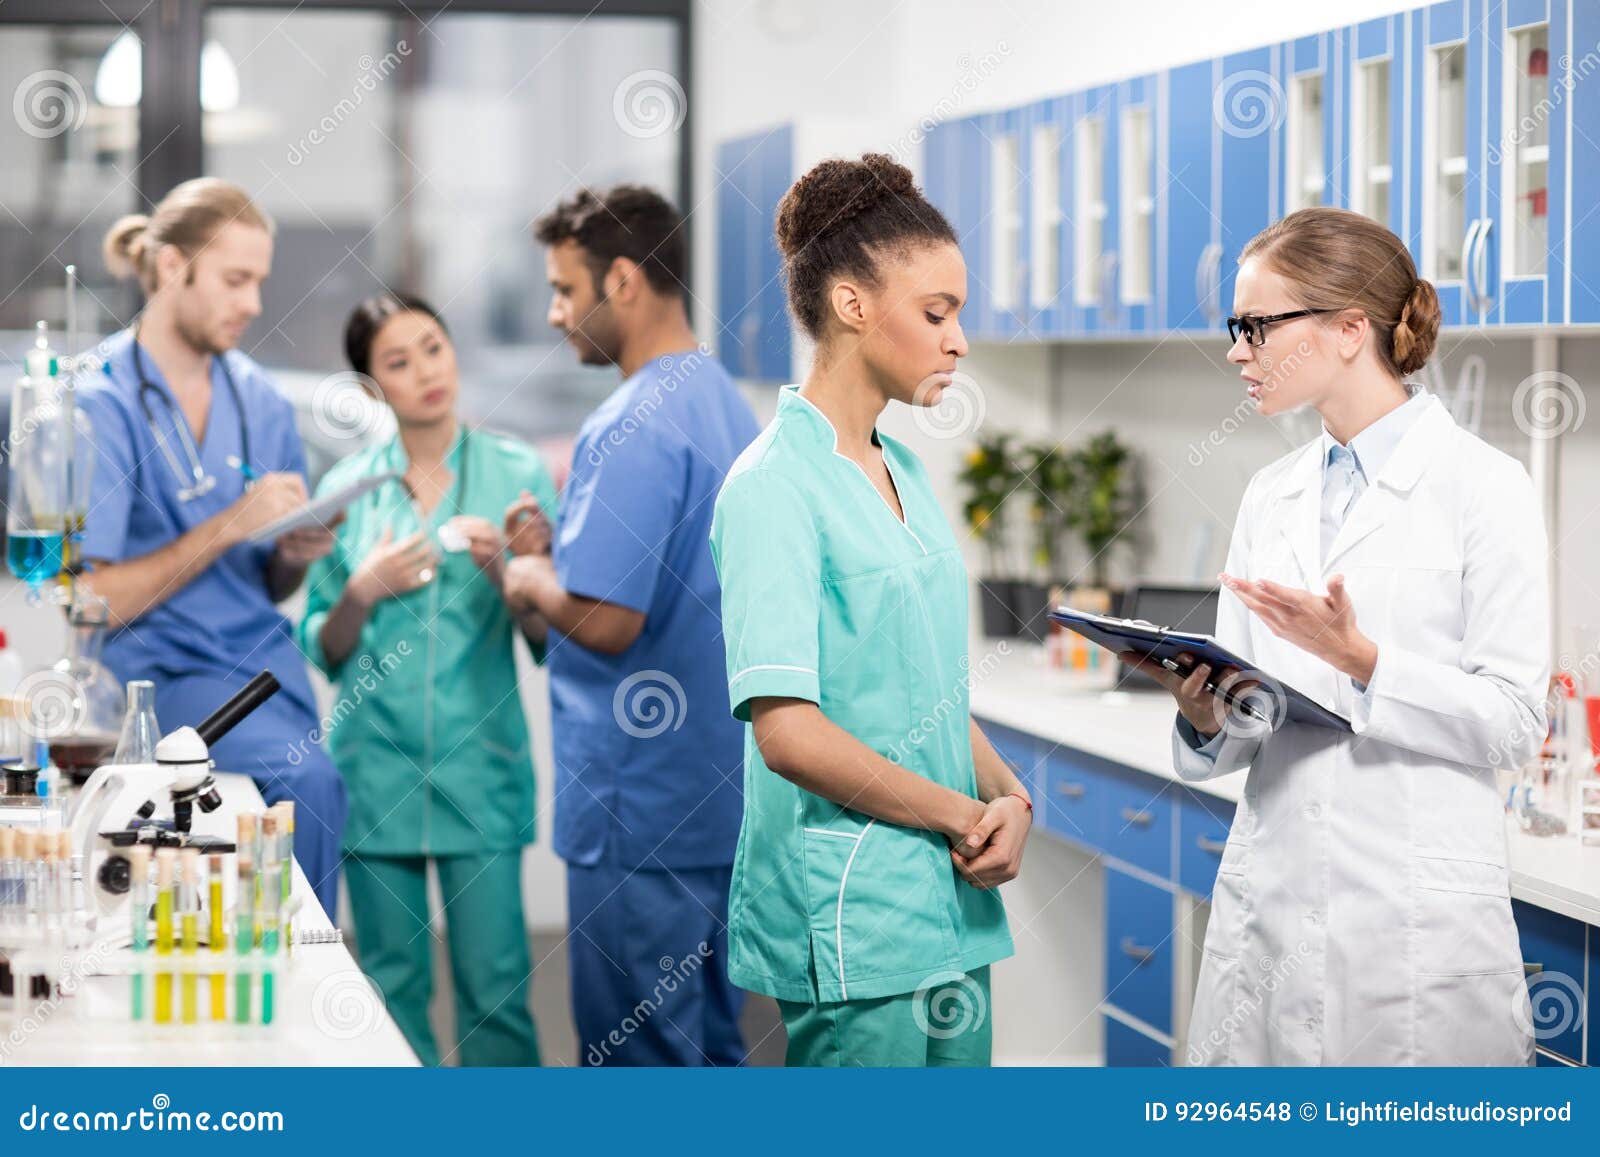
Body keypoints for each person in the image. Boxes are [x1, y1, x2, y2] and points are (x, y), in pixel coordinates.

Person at [1131, 207, 1549, 1066]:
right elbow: (1254, 716)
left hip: (1414, 923)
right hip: (1274, 898)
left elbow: (1515, 722)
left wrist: (1364, 661)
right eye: (1235, 328)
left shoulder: (1486, 487)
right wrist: (1207, 712)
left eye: (1256, 326)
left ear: (1351, 329)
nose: (1237, 351)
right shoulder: (1270, 492)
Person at [709, 154, 1030, 1068]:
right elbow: (789, 736)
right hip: (854, 907)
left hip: (951, 902)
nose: (958, 340)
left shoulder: (904, 470)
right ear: (852, 304)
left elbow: (928, 687)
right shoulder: (772, 487)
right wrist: (958, 815)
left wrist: (1008, 797)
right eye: (937, 313)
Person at [502, 185, 759, 1066]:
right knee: (712, 1043)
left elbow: (610, 621)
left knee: (638, 1059)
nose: (554, 313)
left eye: (564, 290)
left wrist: (528, 575)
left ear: (622, 279)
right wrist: (560, 557)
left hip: (638, 809)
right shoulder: (724, 401)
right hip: (714, 795)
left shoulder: (629, 422)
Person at [297, 294, 555, 1067]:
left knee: (497, 990)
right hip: (377, 774)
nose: (425, 372)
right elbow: (326, 646)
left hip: (482, 774)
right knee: (390, 992)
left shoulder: (517, 473)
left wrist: (511, 571)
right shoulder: (348, 487)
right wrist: (361, 589)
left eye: (433, 348)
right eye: (398, 362)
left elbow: (548, 635)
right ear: (371, 387)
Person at [80, 179, 347, 916]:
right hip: (157, 669)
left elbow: (267, 583)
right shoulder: (101, 400)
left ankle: (283, 963)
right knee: (308, 785)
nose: (254, 303)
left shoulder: (259, 398)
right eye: (236, 280)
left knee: (314, 787)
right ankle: (301, 971)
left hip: (259, 670)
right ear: (173, 267)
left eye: (259, 281)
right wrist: (229, 522)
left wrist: (295, 551)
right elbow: (94, 601)